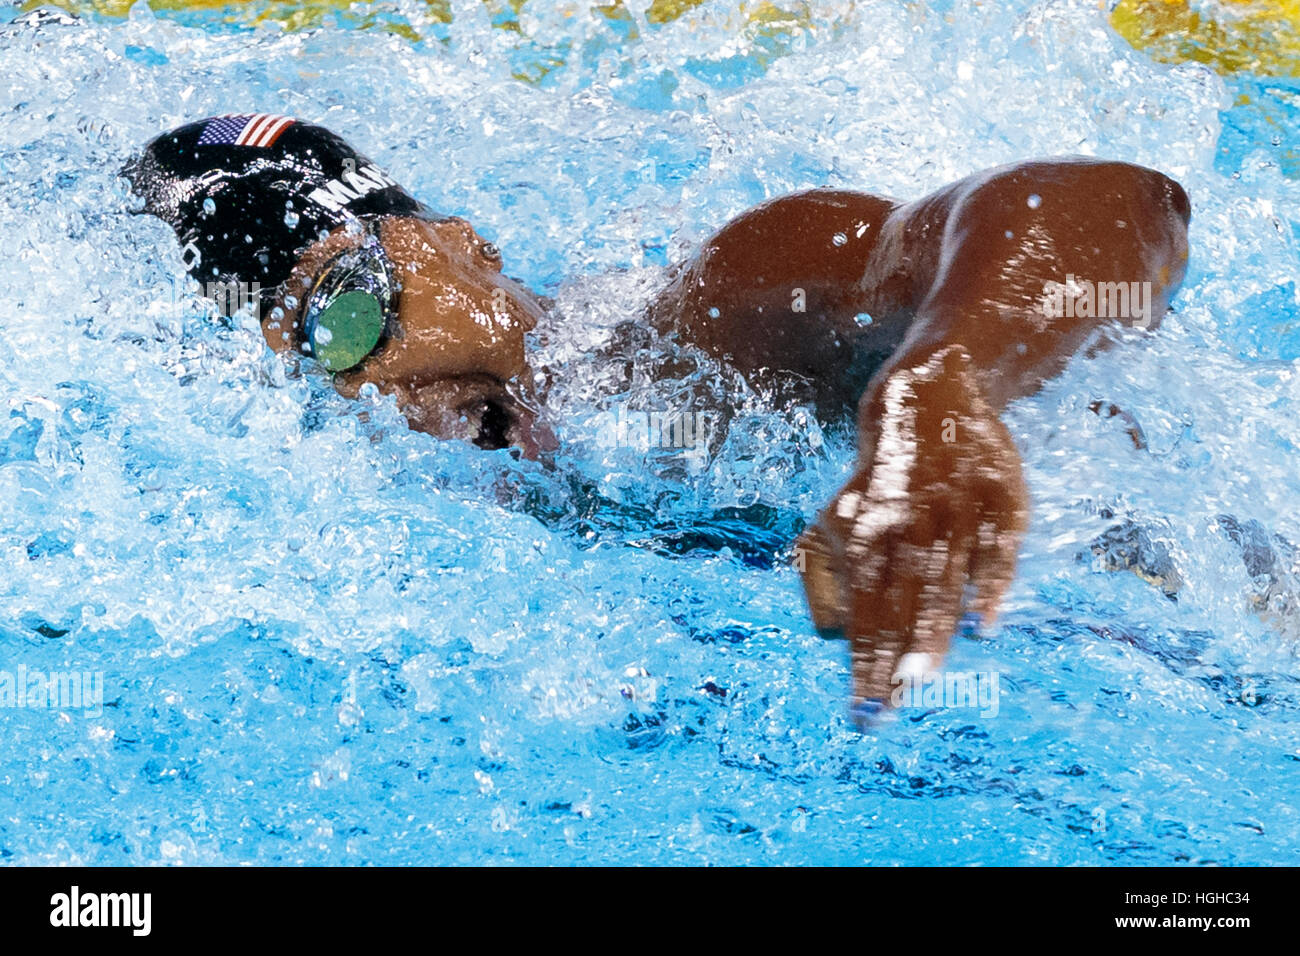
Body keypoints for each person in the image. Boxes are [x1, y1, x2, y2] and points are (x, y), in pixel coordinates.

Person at [124, 115, 1191, 719]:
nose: (364, 377)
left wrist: (939, 387)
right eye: (312, 363)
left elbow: (1113, 202)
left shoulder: (693, 332)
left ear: (458, 242)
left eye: (352, 306)